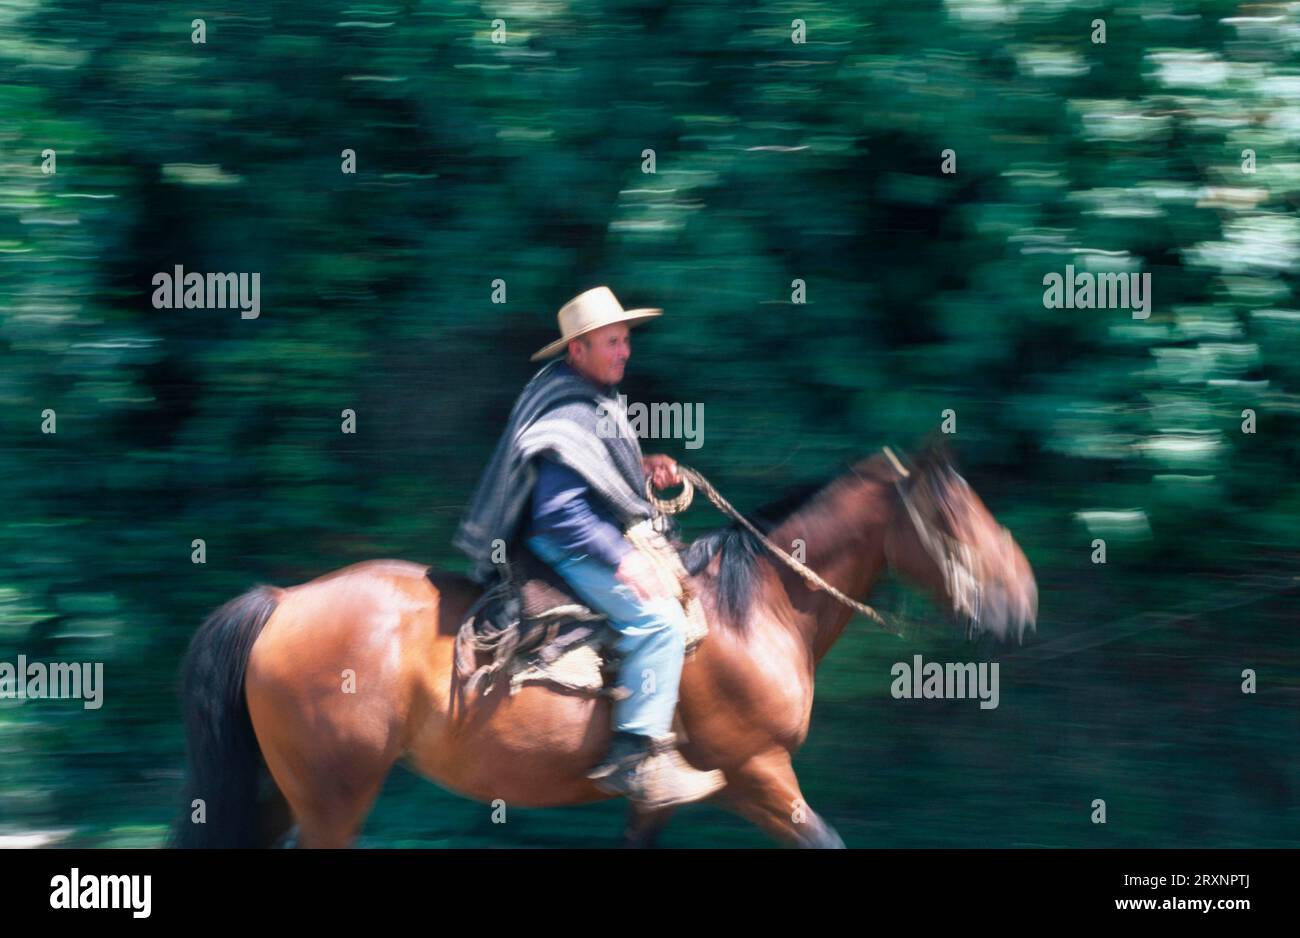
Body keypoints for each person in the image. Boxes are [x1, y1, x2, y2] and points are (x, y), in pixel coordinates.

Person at [453, 286, 725, 809]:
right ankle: (638, 756)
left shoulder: (588, 393)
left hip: (577, 530)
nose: (624, 351)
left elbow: (593, 473)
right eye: (612, 342)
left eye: (625, 340)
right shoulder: (569, 409)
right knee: (660, 621)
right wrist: (624, 560)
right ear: (578, 349)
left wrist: (642, 469)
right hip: (562, 543)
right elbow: (560, 511)